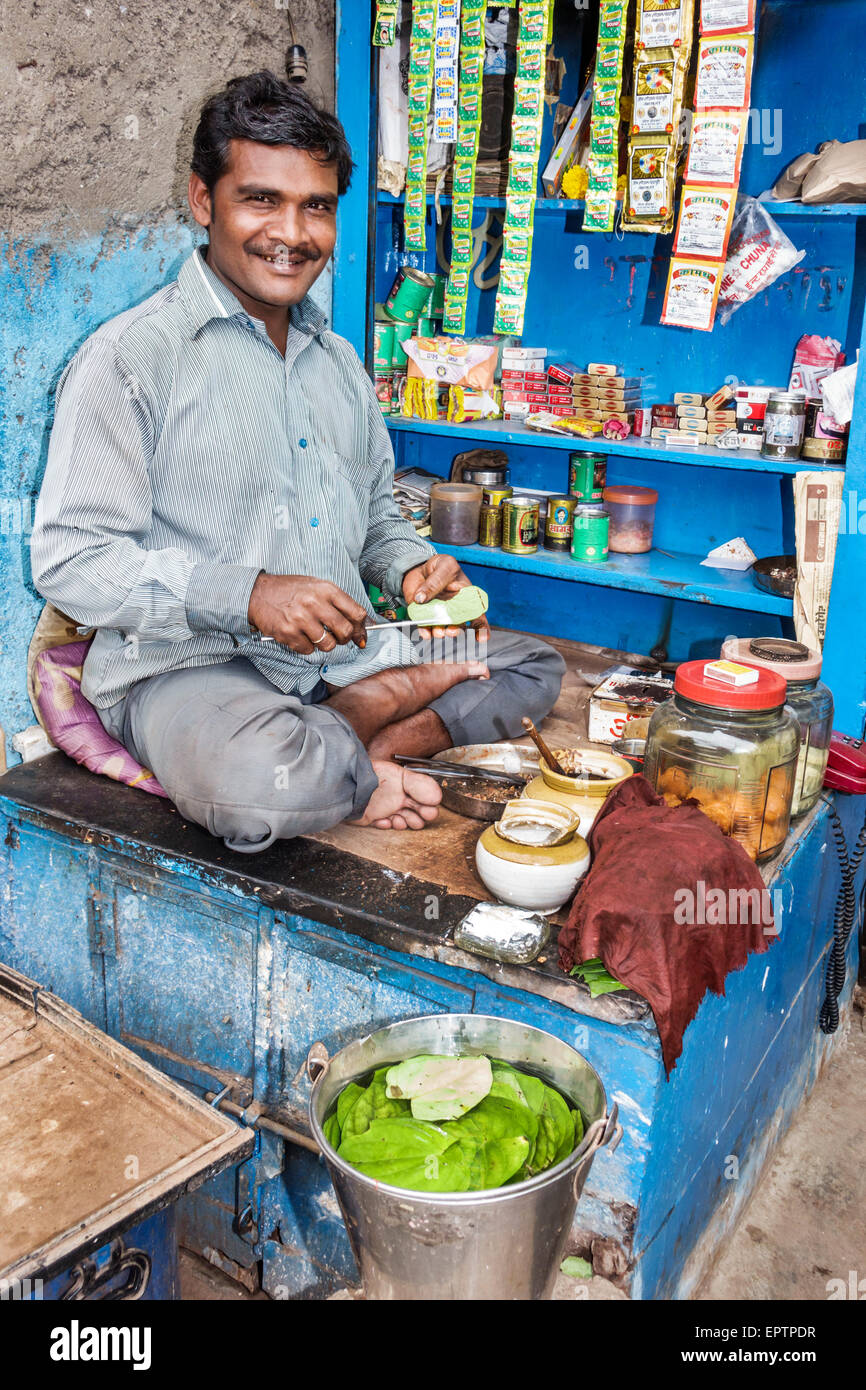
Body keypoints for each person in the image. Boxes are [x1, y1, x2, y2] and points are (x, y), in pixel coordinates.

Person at [31, 71, 565, 853]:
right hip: (192, 668)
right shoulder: (130, 359)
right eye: (261, 200)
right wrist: (246, 594)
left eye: (315, 206)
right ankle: (358, 738)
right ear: (201, 200)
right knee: (252, 784)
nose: (293, 232)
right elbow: (72, 561)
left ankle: (355, 743)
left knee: (529, 666)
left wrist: (411, 568)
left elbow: (377, 513)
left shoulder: (339, 362)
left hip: (343, 656)